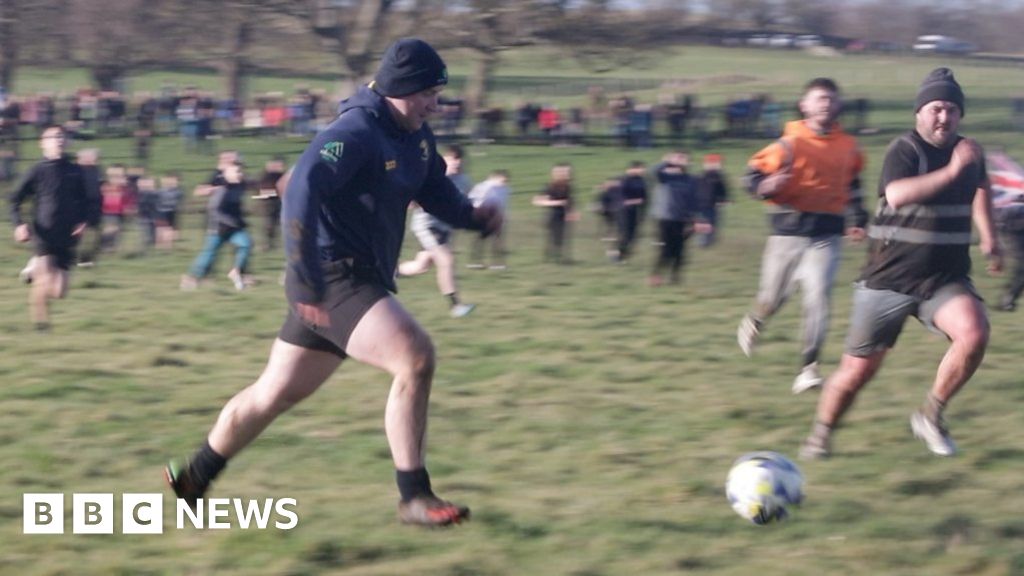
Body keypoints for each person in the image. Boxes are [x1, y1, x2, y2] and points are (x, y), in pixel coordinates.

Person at [165, 38, 501, 527]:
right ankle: (414, 496)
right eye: (428, 93)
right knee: (415, 357)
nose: (435, 104)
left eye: (438, 94)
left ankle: (193, 476)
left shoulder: (416, 135)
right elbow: (301, 187)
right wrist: (304, 279)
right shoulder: (356, 130)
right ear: (400, 88)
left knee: (273, 394)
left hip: (344, 283)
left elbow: (433, 189)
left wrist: (473, 217)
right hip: (333, 278)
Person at [799, 68, 1002, 460]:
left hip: (943, 278)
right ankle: (821, 435)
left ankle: (931, 414)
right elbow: (897, 194)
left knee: (974, 333)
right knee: (857, 372)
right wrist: (952, 171)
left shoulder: (968, 152)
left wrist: (990, 237)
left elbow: (981, 186)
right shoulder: (905, 148)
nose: (944, 117)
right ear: (919, 112)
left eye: (952, 110)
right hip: (888, 278)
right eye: (936, 108)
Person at [736, 77, 867, 394]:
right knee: (773, 297)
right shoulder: (788, 144)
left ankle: (809, 368)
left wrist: (859, 218)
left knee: (818, 296)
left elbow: (853, 185)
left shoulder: (849, 147)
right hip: (787, 234)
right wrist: (764, 186)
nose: (826, 104)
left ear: (838, 105)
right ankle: (756, 319)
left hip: (826, 235)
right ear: (804, 105)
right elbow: (750, 177)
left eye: (831, 98)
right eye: (820, 98)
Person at [8, 126, 88, 330]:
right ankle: (41, 325)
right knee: (44, 280)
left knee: (59, 291)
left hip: (68, 234)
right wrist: (19, 224)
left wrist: (83, 221)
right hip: (43, 231)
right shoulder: (37, 170)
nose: (59, 140)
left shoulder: (75, 170)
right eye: (54, 137)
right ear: (42, 143)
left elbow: (85, 200)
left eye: (62, 136)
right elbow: (15, 199)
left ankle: (33, 268)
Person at [397, 144, 475, 317]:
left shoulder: (465, 180)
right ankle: (455, 306)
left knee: (421, 265)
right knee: (446, 261)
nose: (457, 162)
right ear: (445, 159)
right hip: (428, 226)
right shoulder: (435, 177)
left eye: (459, 159)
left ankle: (390, 272)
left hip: (445, 228)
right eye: (453, 158)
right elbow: (412, 200)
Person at [179, 159, 253, 291]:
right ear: (227, 173)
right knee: (209, 255)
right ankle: (192, 278)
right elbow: (214, 209)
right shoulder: (222, 188)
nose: (240, 174)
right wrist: (231, 221)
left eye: (241, 171)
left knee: (246, 244)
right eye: (237, 171)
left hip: (234, 228)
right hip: (218, 228)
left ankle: (237, 271)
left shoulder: (241, 186)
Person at [647, 151, 708, 286]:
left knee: (680, 250)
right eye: (678, 158)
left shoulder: (691, 179)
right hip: (664, 217)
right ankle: (656, 274)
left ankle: (675, 279)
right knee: (666, 249)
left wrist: (698, 219)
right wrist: (667, 162)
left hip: (682, 219)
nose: (681, 160)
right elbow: (652, 172)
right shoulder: (664, 176)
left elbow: (694, 201)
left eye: (684, 158)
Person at [466, 169, 511, 270]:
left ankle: (497, 263)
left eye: (506, 181)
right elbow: (471, 198)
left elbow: (504, 203)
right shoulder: (484, 186)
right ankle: (475, 261)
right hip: (483, 214)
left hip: (496, 215)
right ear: (495, 178)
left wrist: (505, 215)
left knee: (497, 238)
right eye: (502, 180)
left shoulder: (506, 189)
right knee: (482, 237)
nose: (504, 183)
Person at [533, 163, 576, 264]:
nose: (568, 175)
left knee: (561, 238)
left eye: (568, 172)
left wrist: (571, 212)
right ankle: (550, 258)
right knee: (553, 238)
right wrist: (557, 203)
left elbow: (570, 200)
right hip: (551, 215)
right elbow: (537, 201)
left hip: (563, 216)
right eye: (565, 173)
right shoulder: (549, 187)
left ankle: (558, 257)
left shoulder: (568, 187)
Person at [616, 160, 648, 262]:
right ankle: (619, 255)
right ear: (633, 168)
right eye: (641, 168)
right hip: (624, 211)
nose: (643, 170)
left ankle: (622, 254)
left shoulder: (641, 180)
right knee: (626, 234)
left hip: (636, 211)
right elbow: (622, 199)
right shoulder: (625, 180)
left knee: (634, 236)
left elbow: (644, 197)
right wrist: (637, 201)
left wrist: (642, 206)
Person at [696, 153, 729, 248]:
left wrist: (723, 199)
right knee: (704, 222)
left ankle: (710, 239)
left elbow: (723, 190)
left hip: (714, 205)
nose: (717, 166)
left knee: (714, 222)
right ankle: (703, 241)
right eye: (713, 164)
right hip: (702, 204)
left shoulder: (720, 177)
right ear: (706, 164)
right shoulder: (702, 176)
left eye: (718, 164)